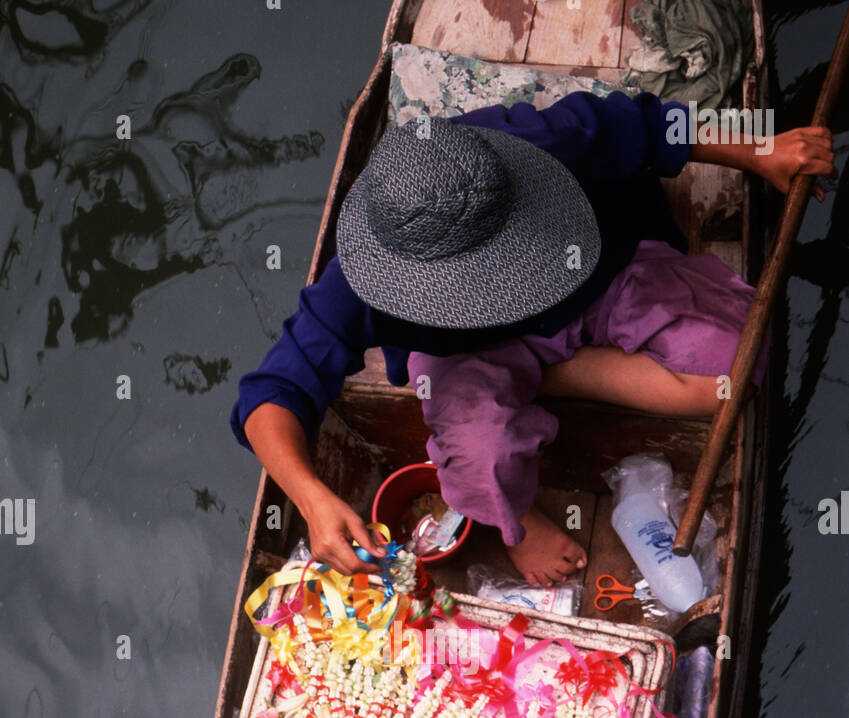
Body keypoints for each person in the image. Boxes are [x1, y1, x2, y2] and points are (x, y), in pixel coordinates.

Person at [231, 90, 834, 587]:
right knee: (476, 453)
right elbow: (271, 392)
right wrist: (310, 498)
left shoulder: (544, 144)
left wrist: (761, 150)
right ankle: (515, 518)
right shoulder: (363, 279)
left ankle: (549, 376)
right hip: (475, 357)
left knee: (733, 372)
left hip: (606, 278)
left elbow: (646, 126)